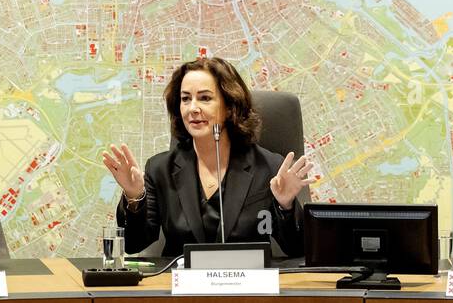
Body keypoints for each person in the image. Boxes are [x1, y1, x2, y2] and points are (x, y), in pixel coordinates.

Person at [103, 57, 313, 258]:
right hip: (181, 289)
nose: (193, 108)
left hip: (247, 290)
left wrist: (285, 205)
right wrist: (134, 197)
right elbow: (133, 244)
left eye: (205, 98)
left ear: (230, 106)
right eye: (186, 99)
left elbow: (297, 250)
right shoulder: (160, 169)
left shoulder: (268, 168)